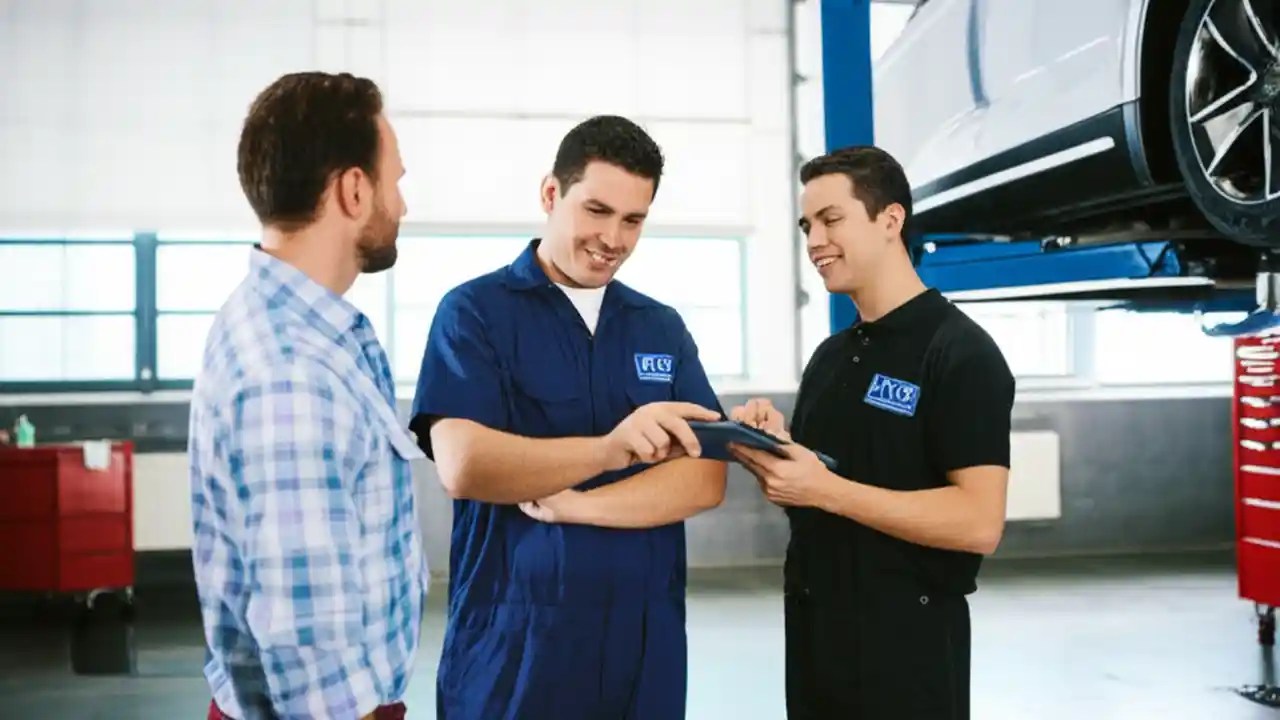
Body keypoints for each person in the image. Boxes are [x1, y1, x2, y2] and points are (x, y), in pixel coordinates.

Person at [410, 114, 728, 719]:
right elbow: (466, 464)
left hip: (642, 651)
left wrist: (577, 506)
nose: (613, 238)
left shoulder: (659, 325)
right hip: (514, 652)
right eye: (596, 210)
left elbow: (704, 477)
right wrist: (611, 450)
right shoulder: (475, 313)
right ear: (551, 194)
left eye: (633, 220)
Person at [729, 145, 1015, 720]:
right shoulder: (832, 360)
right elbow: (822, 496)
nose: (814, 241)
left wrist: (824, 490)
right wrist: (780, 457)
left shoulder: (960, 353)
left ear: (890, 221)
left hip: (906, 656)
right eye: (808, 225)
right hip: (816, 644)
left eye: (832, 220)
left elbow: (979, 522)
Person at [188, 71, 423, 720]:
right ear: (354, 188)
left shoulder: (301, 325)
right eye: (395, 180)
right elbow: (306, 634)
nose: (402, 204)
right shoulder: (290, 368)